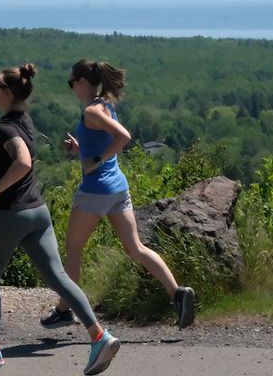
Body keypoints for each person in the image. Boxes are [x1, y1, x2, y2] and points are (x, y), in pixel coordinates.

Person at [0, 63, 120, 375]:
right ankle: (100, 337)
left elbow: (22, 162)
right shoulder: (24, 121)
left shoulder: (4, 126)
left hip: (10, 214)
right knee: (59, 277)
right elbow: (18, 160)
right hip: (37, 213)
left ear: (6, 93)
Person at [41, 59, 196, 330]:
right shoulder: (106, 104)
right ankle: (178, 294)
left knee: (73, 250)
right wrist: (82, 149)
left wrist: (96, 159)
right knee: (135, 248)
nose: (71, 89)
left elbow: (123, 137)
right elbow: (104, 139)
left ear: (81, 82)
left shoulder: (91, 111)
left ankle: (66, 309)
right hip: (118, 189)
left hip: (95, 190)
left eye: (71, 83)